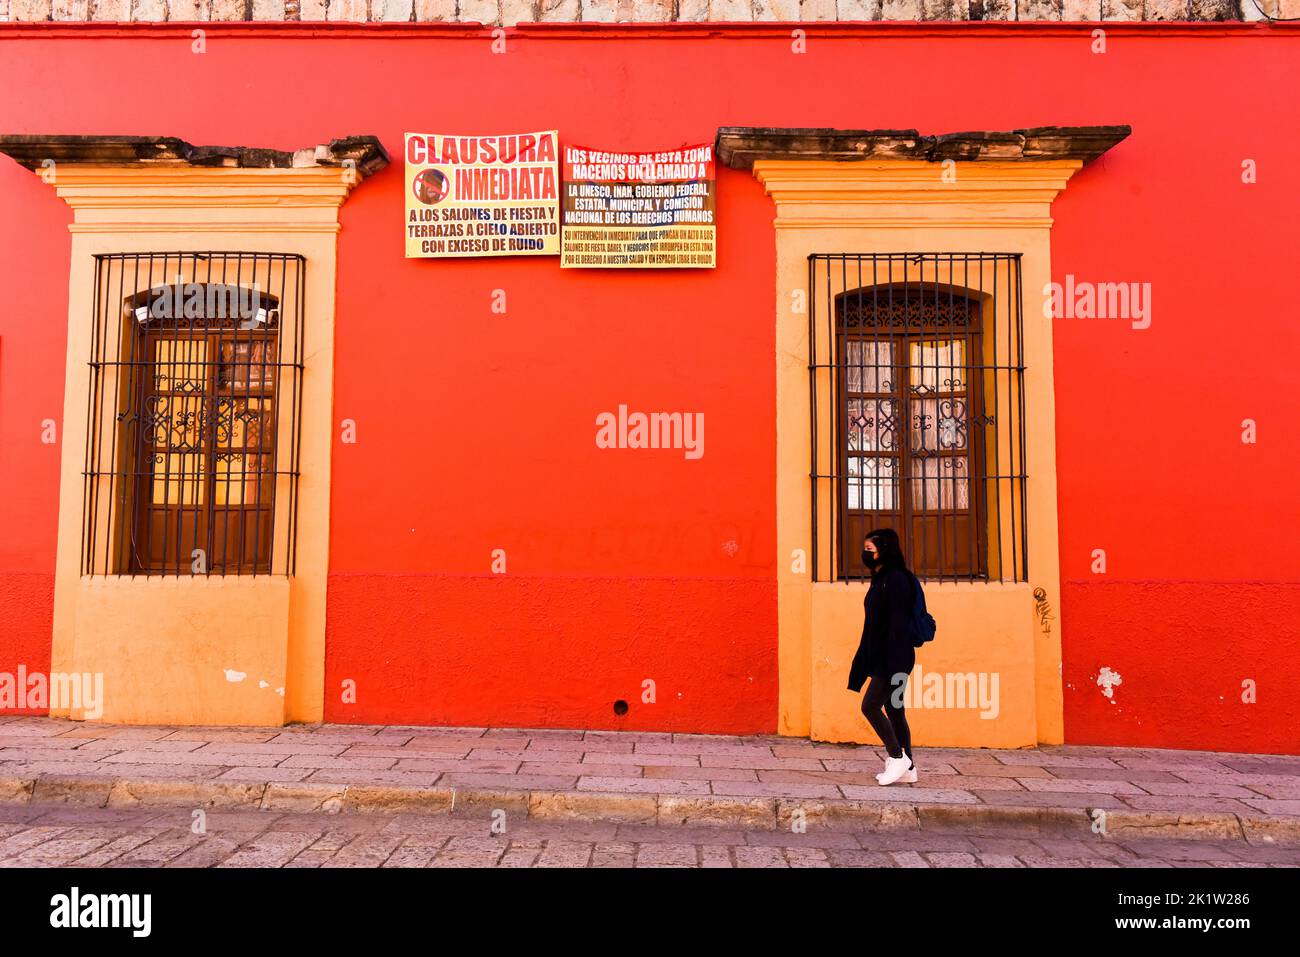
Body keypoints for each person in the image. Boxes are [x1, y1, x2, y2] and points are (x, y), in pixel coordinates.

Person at [847, 528, 918, 786]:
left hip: (894, 659)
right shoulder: (882, 578)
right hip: (888, 657)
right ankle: (909, 767)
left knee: (870, 706)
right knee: (895, 710)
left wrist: (893, 663)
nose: (866, 555)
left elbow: (897, 625)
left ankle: (897, 756)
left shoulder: (897, 580)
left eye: (870, 550)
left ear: (884, 550)